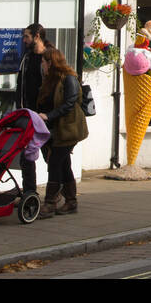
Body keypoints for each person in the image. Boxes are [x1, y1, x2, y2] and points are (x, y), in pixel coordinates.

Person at [36, 46, 89, 217]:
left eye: (44, 62)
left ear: (51, 63)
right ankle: (71, 202)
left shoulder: (69, 79)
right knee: (63, 163)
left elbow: (69, 103)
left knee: (55, 162)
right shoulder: (49, 79)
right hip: (55, 129)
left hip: (69, 128)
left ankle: (50, 202)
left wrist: (48, 116)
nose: (42, 65)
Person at [14, 24, 48, 195]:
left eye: (27, 36)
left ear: (36, 36)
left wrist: (49, 113)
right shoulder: (27, 57)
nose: (24, 40)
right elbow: (20, 84)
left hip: (44, 116)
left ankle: (58, 194)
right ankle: (29, 193)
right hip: (28, 114)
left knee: (51, 157)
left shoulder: (49, 56)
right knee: (27, 157)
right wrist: (19, 108)